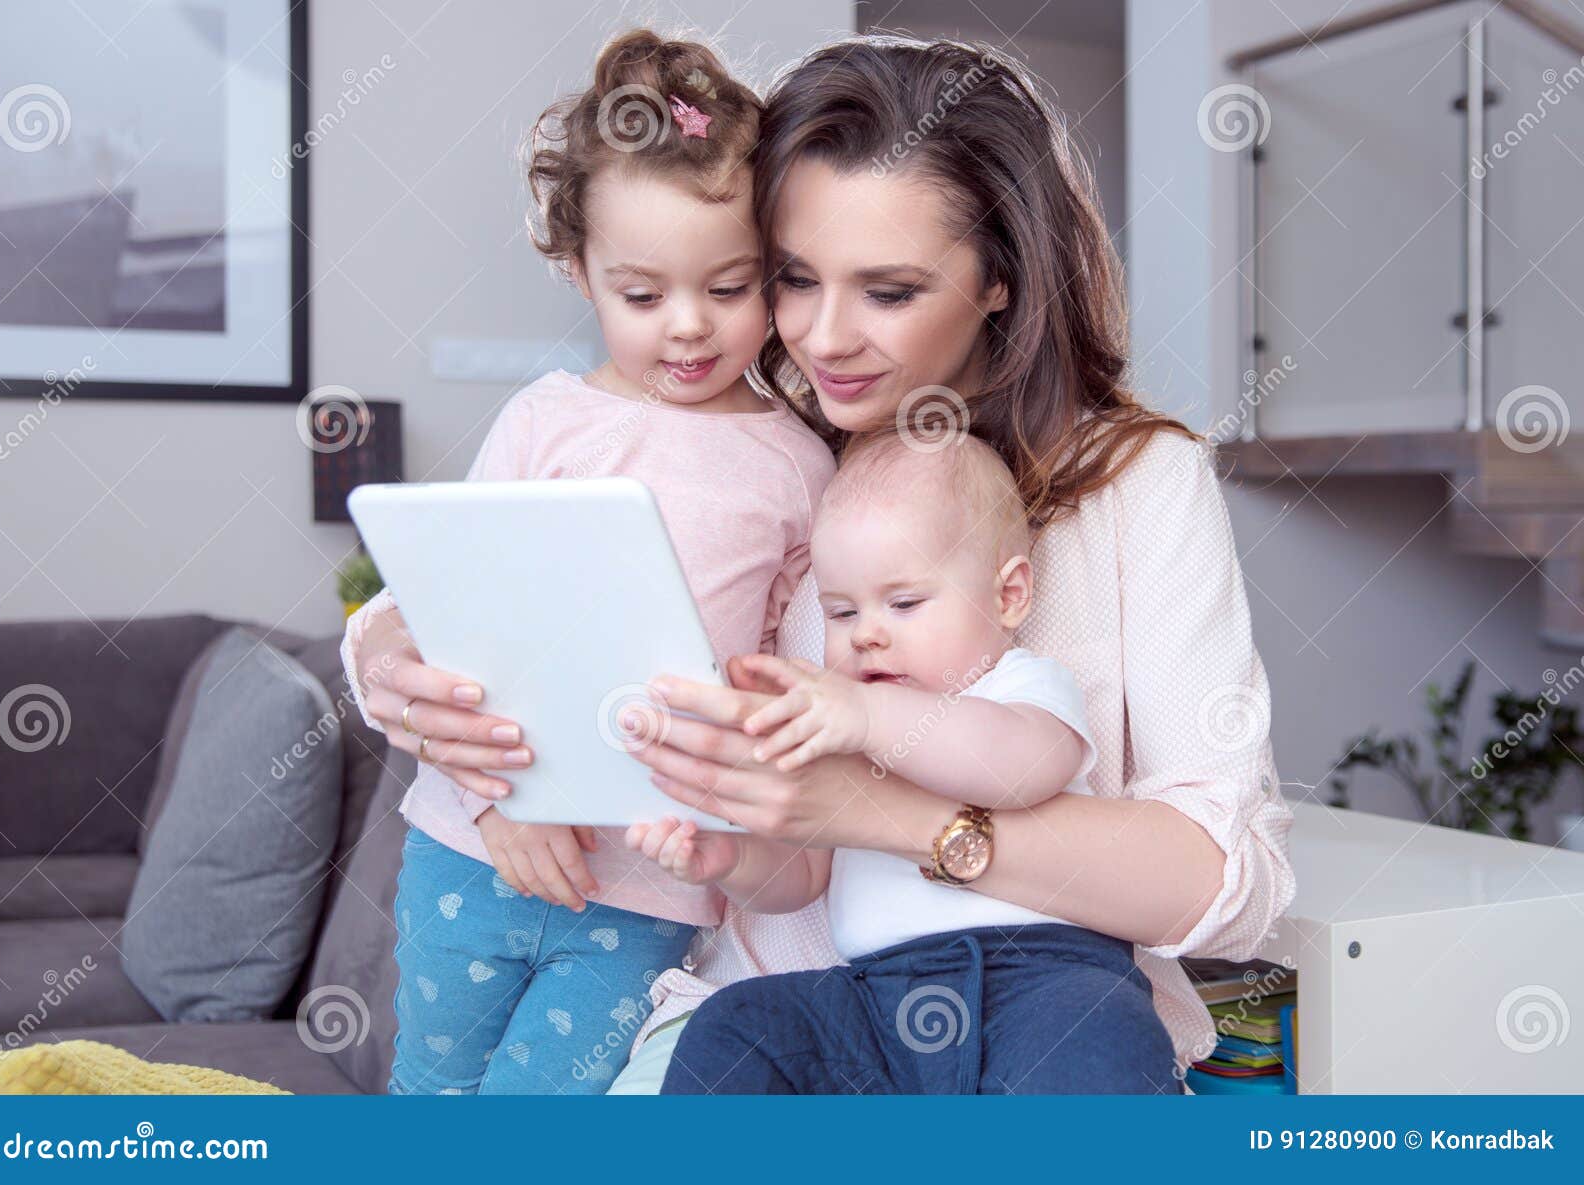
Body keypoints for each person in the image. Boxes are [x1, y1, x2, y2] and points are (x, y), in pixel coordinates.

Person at [346, 34, 1295, 1096]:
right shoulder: (750, 450)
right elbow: (505, 583)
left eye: (888, 291)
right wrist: (388, 651)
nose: (822, 340)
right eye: (795, 279)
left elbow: (1228, 883)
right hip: (748, 1017)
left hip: (1033, 1018)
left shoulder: (1137, 483)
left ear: (999, 280)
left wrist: (881, 814)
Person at [339, 28, 835, 1095]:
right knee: (429, 1104)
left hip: (649, 894)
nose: (690, 327)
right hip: (471, 856)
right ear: (577, 272)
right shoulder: (544, 422)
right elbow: (448, 623)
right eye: (643, 295)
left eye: (732, 287)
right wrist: (492, 801)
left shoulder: (800, 467)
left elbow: (790, 683)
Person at [625, 430, 1169, 1092]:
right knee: (737, 1025)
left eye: (905, 603)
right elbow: (803, 873)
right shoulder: (846, 728)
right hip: (874, 1003)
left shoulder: (1018, 686)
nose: (866, 633)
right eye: (841, 610)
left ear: (1009, 595)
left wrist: (867, 717)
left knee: (1105, 1037)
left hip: (1042, 980)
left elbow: (1018, 770)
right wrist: (733, 860)